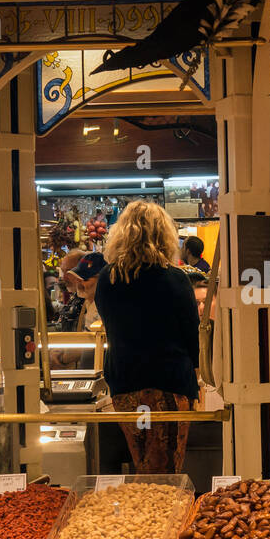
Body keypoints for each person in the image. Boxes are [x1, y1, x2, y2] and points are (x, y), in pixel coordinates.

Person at [94, 200, 199, 473]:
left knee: (141, 461)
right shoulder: (175, 279)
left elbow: (111, 325)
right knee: (166, 471)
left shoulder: (108, 278)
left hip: (125, 386)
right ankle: (163, 514)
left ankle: (143, 512)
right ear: (164, 235)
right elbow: (192, 336)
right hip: (169, 385)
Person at [58, 250, 104, 332]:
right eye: (78, 278)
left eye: (85, 279)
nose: (79, 283)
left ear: (102, 279)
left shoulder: (105, 309)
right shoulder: (87, 303)